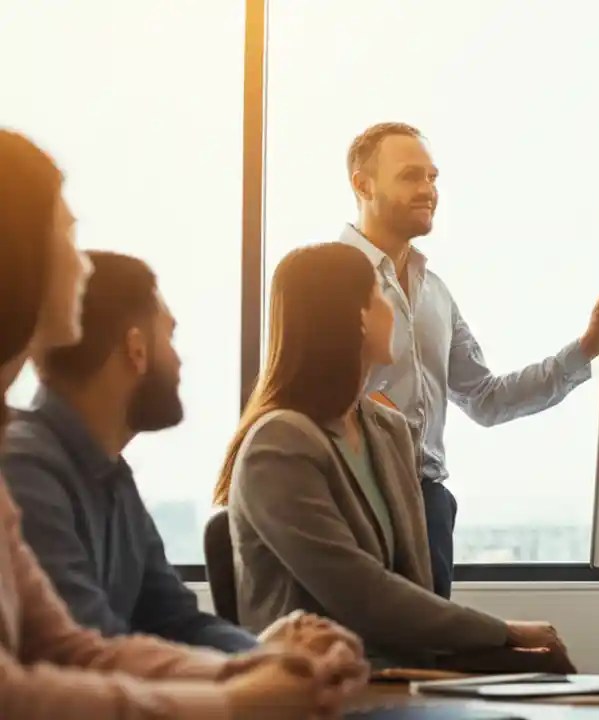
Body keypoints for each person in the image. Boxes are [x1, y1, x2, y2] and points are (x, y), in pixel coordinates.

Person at [0, 129, 366, 718]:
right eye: (66, 233)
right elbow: (36, 683)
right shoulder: (24, 465)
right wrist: (237, 698)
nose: (81, 261)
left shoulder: (106, 474)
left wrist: (269, 669)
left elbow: (92, 643)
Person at [214, 242, 574, 672]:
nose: (396, 313)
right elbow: (360, 592)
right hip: (320, 674)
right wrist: (503, 630)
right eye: (381, 297)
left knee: (546, 661)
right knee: (539, 665)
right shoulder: (279, 443)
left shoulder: (388, 429)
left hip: (398, 660)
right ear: (360, 318)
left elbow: (415, 581)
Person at [333, 122, 599, 598]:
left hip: (429, 506)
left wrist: (586, 349)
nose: (428, 190)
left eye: (432, 177)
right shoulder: (325, 275)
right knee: (367, 662)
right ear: (363, 184)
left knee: (433, 662)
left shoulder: (435, 293)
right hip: (357, 498)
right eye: (410, 176)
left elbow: (486, 399)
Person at [4, 251, 272, 653]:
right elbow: (93, 648)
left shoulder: (114, 475)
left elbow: (178, 620)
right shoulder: (25, 472)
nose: (179, 361)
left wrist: (276, 661)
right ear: (137, 348)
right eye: (170, 335)